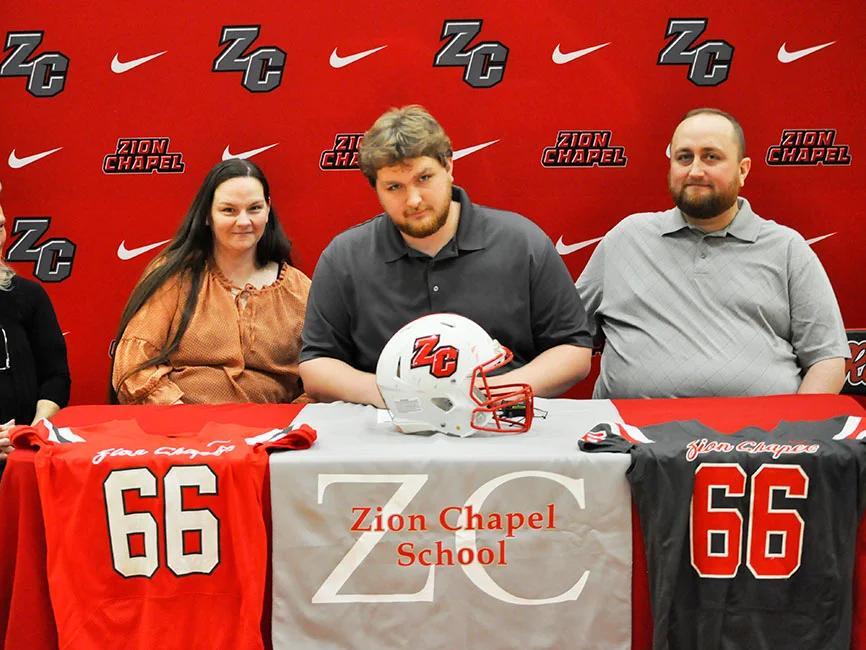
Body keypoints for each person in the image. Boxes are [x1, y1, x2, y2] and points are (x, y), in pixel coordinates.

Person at [300, 105, 592, 407]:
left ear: (449, 166)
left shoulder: (523, 242)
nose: (413, 200)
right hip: (387, 423)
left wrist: (487, 394)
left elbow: (573, 350)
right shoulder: (344, 258)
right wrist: (393, 396)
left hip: (500, 418)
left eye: (424, 178)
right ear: (376, 188)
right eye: (394, 187)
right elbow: (316, 364)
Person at [575, 107, 849, 398]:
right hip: (629, 425)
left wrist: (795, 423)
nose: (695, 171)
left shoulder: (787, 248)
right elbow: (567, 337)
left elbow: (827, 359)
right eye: (684, 157)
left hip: (759, 427)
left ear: (743, 170)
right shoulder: (626, 239)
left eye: (711, 157)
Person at [110, 159, 310, 404]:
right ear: (207, 215)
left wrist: (289, 422)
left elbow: (320, 381)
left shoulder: (299, 290)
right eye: (229, 210)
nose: (243, 221)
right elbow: (133, 366)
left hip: (271, 426)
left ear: (268, 209)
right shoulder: (175, 276)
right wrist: (180, 416)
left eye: (254, 208)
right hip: (180, 423)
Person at [0, 180, 71, 472]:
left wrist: (32, 430)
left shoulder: (28, 295)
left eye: (0, 226)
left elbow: (56, 377)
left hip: (24, 456)